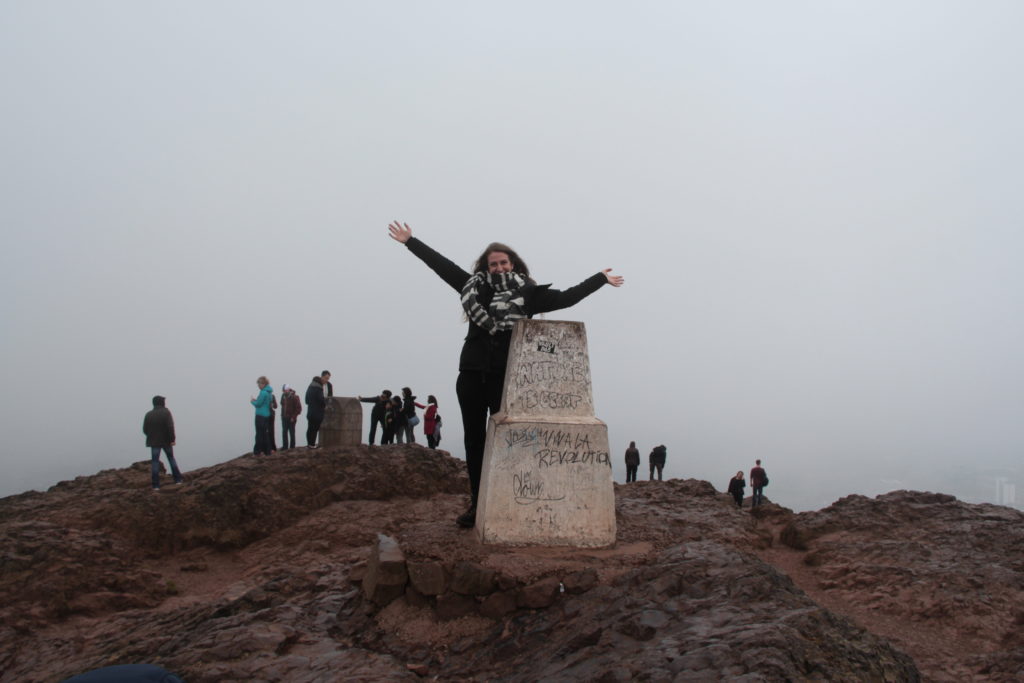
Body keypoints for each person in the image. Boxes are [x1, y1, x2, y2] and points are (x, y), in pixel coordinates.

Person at [388, 220, 624, 528]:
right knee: (474, 441)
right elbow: (441, 266)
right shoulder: (474, 286)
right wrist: (410, 241)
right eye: (492, 263)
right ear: (486, 267)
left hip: (507, 379)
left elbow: (567, 297)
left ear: (512, 264)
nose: (498, 267)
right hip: (471, 375)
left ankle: (509, 499)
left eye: (503, 262)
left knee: (507, 440)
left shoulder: (529, 294)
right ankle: (477, 504)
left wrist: (600, 279)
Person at [143, 395, 183, 491]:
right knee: (171, 459)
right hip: (166, 441)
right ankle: (178, 480)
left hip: (154, 442)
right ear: (162, 403)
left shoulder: (148, 414)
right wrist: (172, 439)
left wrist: (151, 436)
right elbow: (170, 427)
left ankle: (156, 486)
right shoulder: (166, 412)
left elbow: (145, 429)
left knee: (155, 462)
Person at [250, 376, 274, 455]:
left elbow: (258, 404)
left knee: (259, 434)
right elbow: (268, 402)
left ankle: (257, 451)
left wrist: (252, 401)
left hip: (260, 416)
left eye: (259, 384)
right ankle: (267, 450)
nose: (258, 386)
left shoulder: (263, 392)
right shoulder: (269, 392)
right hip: (267, 415)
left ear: (263, 384)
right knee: (265, 433)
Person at [305, 375, 326, 448]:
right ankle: (312, 444)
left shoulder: (309, 388)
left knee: (310, 428)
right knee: (315, 429)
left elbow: (306, 400)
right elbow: (321, 400)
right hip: (317, 413)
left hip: (310, 412)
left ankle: (309, 444)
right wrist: (324, 404)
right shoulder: (319, 389)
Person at [280, 384, 302, 450]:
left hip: (291, 418)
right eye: (284, 390)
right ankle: (285, 446)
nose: (285, 392)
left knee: (292, 432)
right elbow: (282, 404)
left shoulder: (294, 397)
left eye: (286, 390)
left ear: (289, 390)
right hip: (284, 417)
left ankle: (292, 447)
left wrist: (293, 417)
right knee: (284, 432)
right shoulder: (283, 396)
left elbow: (298, 408)